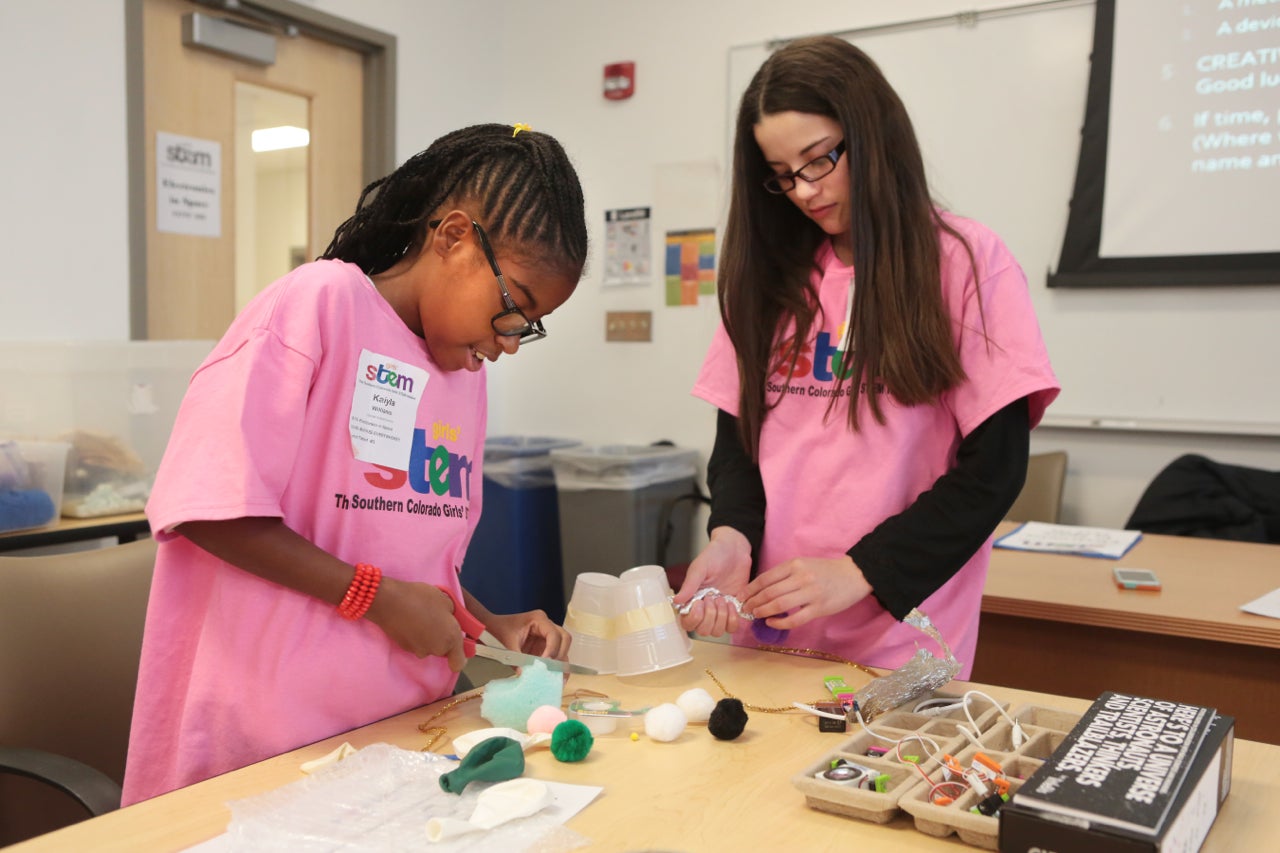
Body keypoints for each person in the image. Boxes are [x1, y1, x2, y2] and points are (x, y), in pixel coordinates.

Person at [122, 123, 589, 804]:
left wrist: (491, 623)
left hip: (396, 739)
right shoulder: (319, 306)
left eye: (528, 324)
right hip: (266, 750)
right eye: (512, 306)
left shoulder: (464, 373)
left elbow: (407, 556)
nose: (510, 341)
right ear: (453, 236)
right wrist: (372, 599)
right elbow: (208, 509)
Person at [673, 37, 1059, 679]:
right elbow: (738, 441)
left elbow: (993, 471)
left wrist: (859, 571)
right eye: (782, 174)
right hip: (771, 634)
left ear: (872, 131)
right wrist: (731, 536)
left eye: (819, 160)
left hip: (902, 647)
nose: (802, 191)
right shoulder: (770, 277)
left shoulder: (966, 264)